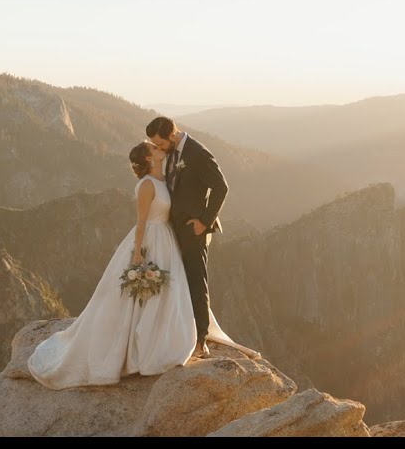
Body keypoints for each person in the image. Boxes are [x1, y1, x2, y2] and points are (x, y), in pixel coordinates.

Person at [27, 139, 257, 391]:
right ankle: (141, 346)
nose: (161, 149)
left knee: (171, 292)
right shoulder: (147, 185)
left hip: (168, 241)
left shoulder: (163, 178)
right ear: (149, 159)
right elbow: (141, 221)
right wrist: (137, 253)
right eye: (155, 149)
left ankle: (165, 337)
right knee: (145, 296)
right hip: (151, 240)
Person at [146, 115, 228, 359]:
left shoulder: (198, 153)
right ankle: (178, 333)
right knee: (176, 280)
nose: (158, 148)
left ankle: (200, 339)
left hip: (193, 230)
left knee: (195, 279)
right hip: (171, 228)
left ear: (172, 135)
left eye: (160, 143)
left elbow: (221, 187)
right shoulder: (171, 151)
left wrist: (204, 221)